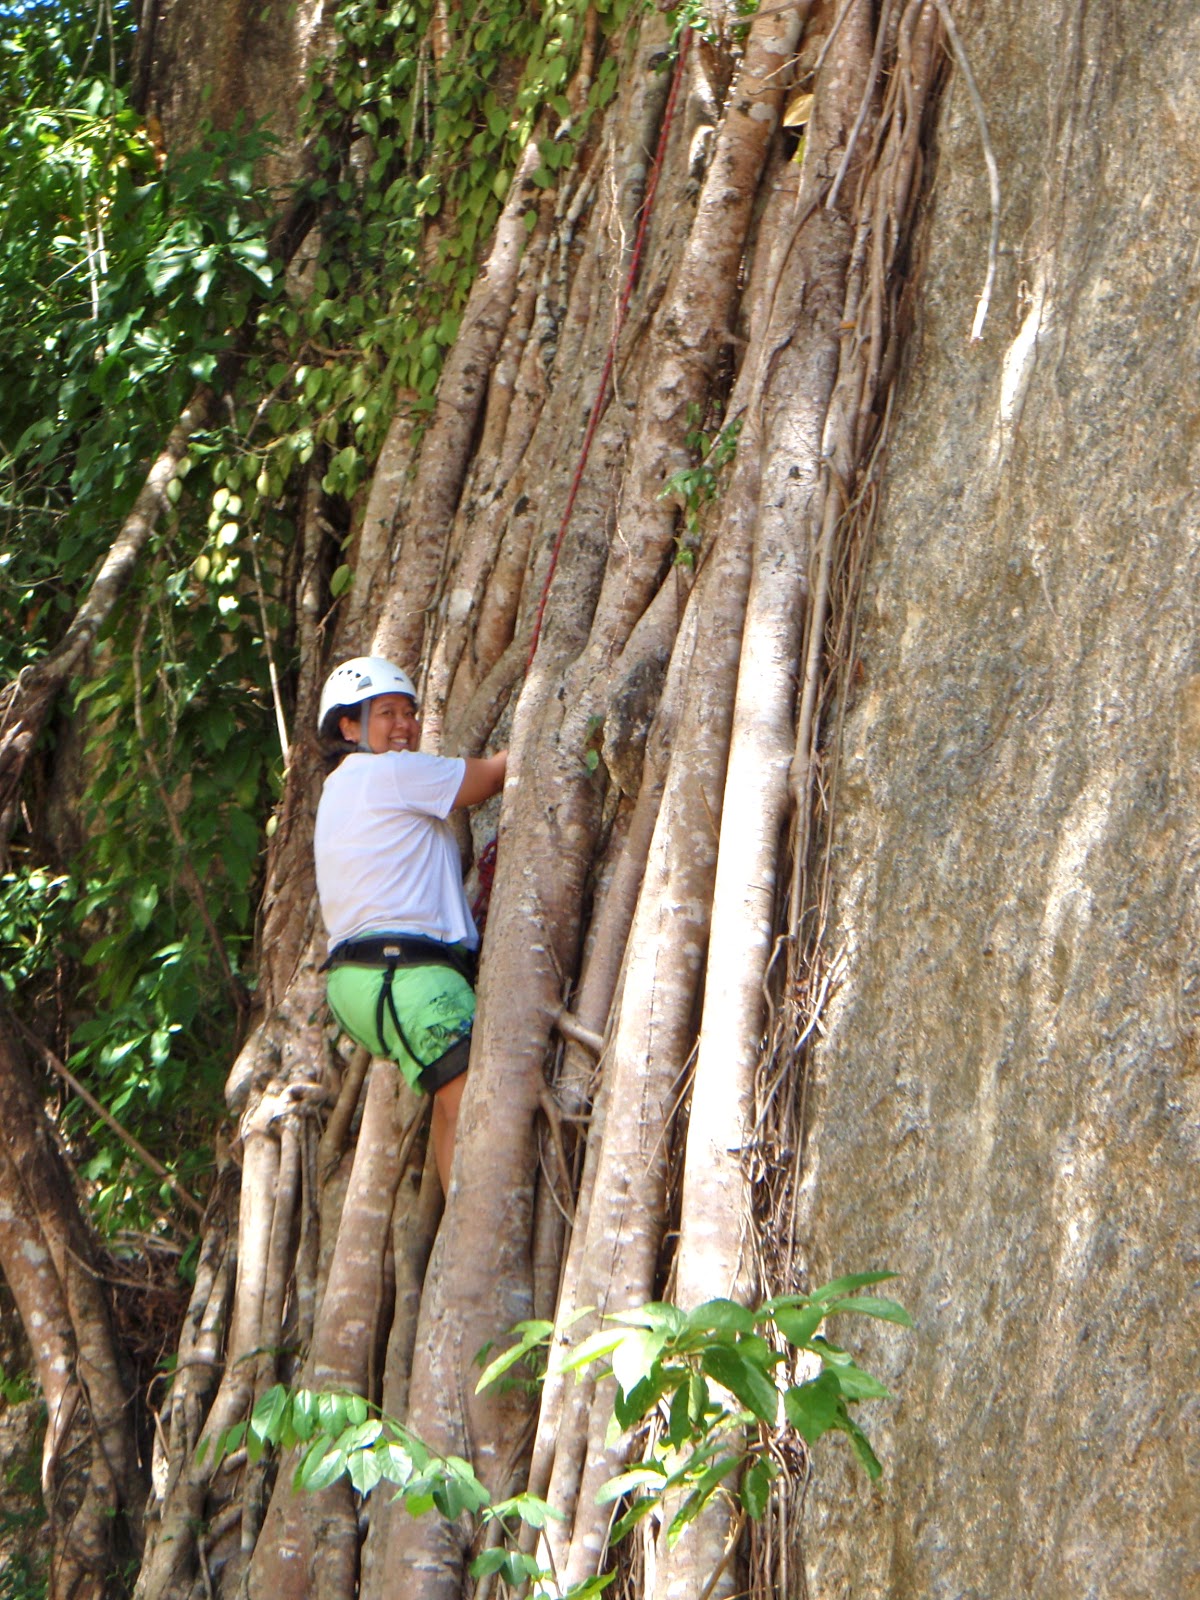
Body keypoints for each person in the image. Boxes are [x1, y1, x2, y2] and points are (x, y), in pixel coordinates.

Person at [313, 656, 506, 1191]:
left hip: (366, 980)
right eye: (386, 713)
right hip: (408, 975)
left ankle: (464, 1227)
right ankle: (478, 1243)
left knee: (453, 1106)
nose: (404, 724)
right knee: (478, 1104)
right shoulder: (391, 772)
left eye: (409, 712)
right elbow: (489, 777)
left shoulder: (340, 789)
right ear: (349, 727)